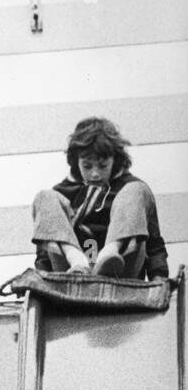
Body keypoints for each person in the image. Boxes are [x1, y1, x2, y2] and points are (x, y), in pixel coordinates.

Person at [31, 117, 168, 279]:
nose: (95, 174)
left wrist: (159, 278)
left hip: (121, 270)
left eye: (103, 166)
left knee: (137, 188)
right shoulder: (62, 192)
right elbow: (44, 250)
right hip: (71, 273)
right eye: (87, 166)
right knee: (44, 197)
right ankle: (77, 260)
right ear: (76, 162)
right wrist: (41, 280)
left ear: (115, 160)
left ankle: (109, 254)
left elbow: (154, 244)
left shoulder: (130, 190)